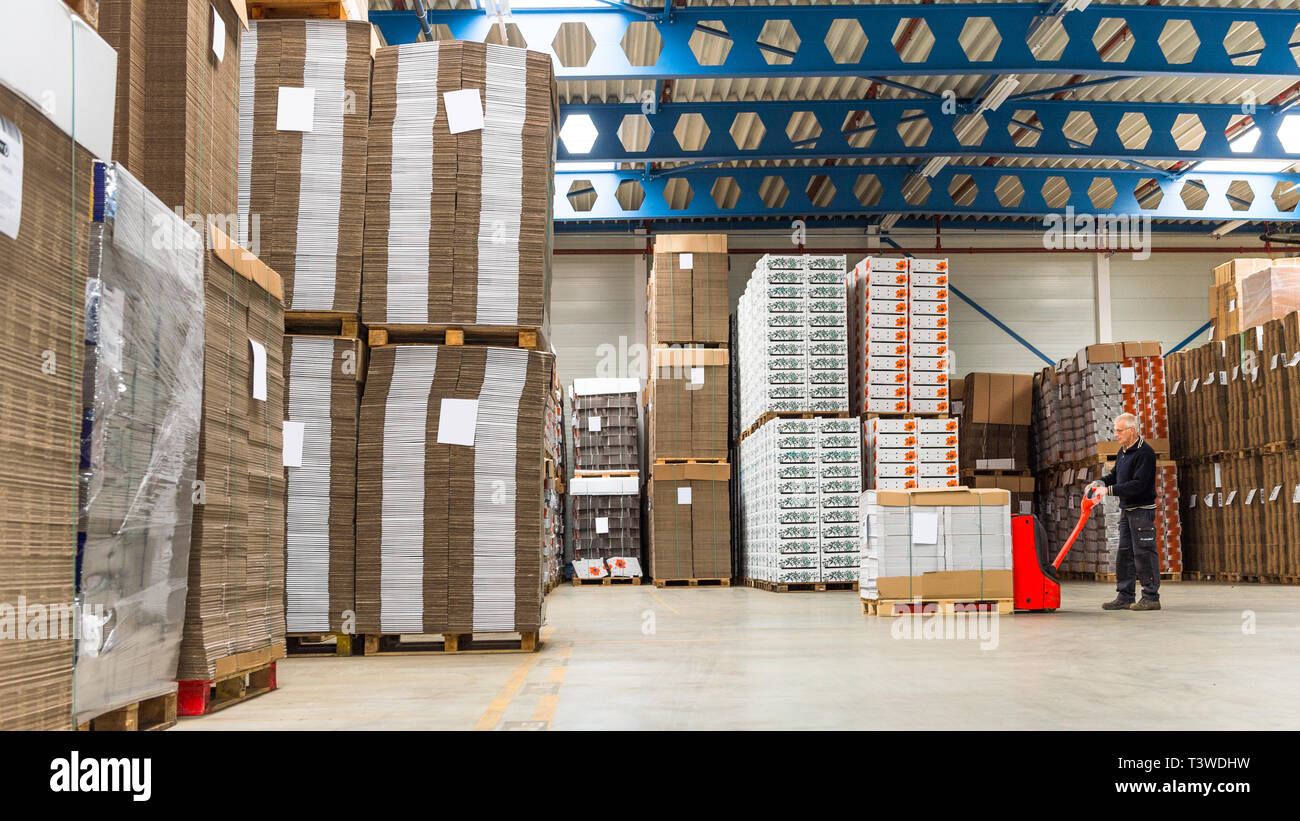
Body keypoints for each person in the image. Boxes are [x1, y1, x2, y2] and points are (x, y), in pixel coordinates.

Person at [1088, 413, 1161, 612]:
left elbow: (1138, 485)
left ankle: (1151, 597)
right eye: (1115, 430)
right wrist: (1101, 482)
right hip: (1127, 511)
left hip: (1141, 511)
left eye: (1119, 430)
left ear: (1132, 431)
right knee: (1125, 553)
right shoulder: (1123, 451)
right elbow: (1116, 476)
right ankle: (1125, 595)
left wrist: (1109, 491)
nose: (1116, 434)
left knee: (1143, 553)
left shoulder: (1145, 453)